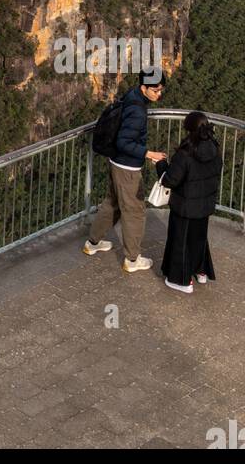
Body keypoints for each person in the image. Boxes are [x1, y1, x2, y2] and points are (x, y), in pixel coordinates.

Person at [83, 67, 166, 271]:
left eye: (161, 89)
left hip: (116, 162)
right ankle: (132, 259)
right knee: (135, 210)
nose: (159, 94)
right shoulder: (138, 111)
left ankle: (92, 243)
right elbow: (124, 142)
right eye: (155, 90)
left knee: (112, 203)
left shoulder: (132, 95)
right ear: (144, 87)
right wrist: (149, 154)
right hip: (127, 167)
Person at [155, 110, 223, 294]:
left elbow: (170, 180)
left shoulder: (185, 154)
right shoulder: (215, 148)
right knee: (198, 239)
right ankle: (200, 271)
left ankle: (181, 281)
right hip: (205, 204)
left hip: (185, 205)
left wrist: (160, 164)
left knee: (180, 241)